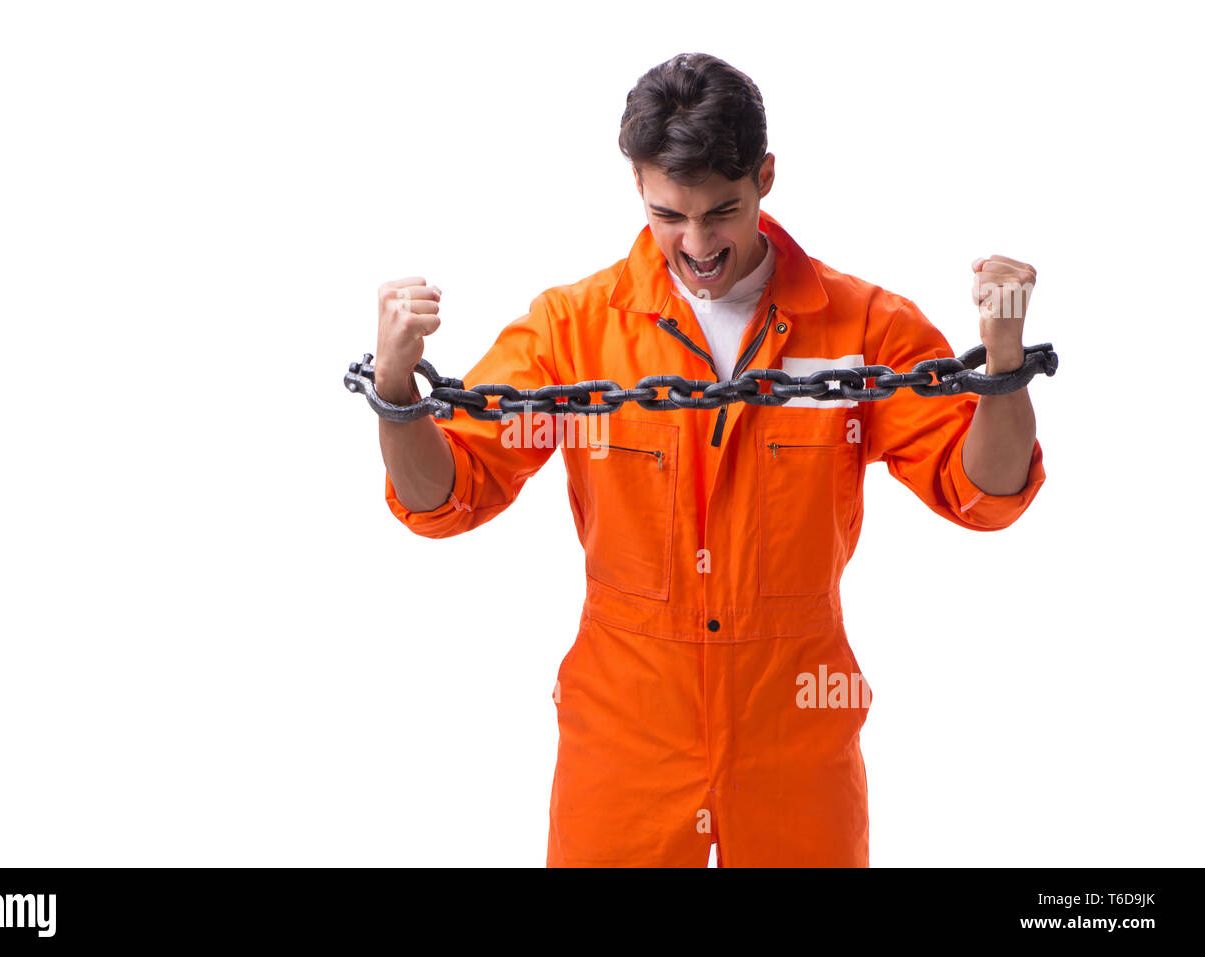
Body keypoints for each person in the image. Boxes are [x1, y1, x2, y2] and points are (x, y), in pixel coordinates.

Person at [373, 52, 1046, 867]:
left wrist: (1002, 368)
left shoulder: (864, 327)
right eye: (669, 215)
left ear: (765, 176)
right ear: (637, 186)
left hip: (796, 731)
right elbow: (448, 498)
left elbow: (984, 492)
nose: (695, 244)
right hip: (625, 736)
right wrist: (397, 386)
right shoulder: (573, 330)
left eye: (722, 212)